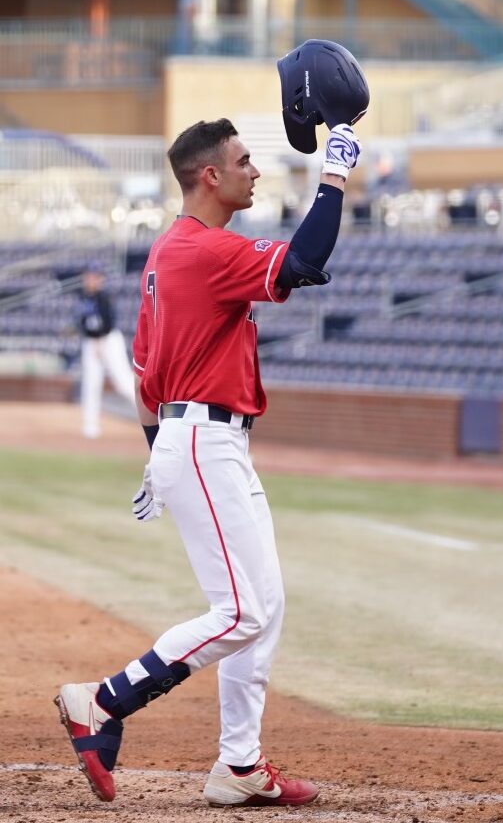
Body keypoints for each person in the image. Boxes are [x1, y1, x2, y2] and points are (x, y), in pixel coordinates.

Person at [53, 116, 362, 808]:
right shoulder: (202, 249)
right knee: (242, 611)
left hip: (195, 438)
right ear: (210, 176)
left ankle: (239, 766)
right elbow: (303, 263)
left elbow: (142, 378)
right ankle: (102, 702)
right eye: (245, 160)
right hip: (202, 441)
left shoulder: (170, 250)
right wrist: (335, 173)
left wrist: (157, 453)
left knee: (266, 605)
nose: (256, 170)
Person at [75, 263, 136, 438]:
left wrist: (100, 343)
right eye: (88, 276)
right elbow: (83, 323)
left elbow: (109, 323)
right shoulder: (83, 296)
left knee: (123, 381)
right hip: (91, 342)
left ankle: (148, 416)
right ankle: (90, 425)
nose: (90, 280)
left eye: (94, 276)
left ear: (100, 279)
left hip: (108, 341)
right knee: (91, 383)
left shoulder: (104, 297)